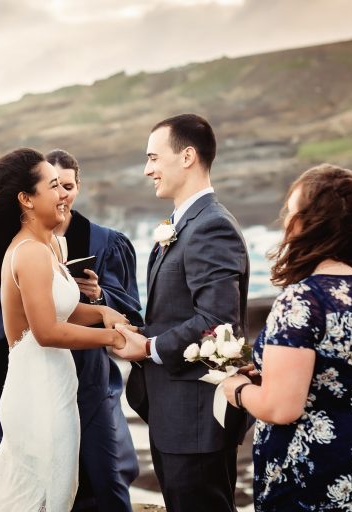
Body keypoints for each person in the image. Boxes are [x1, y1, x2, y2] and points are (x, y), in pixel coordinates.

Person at [0, 148, 141, 511]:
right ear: (26, 198)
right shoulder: (30, 252)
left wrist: (103, 311)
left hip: (58, 387)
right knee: (38, 494)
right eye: (54, 186)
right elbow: (47, 331)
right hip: (38, 391)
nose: (62, 195)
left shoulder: (47, 244)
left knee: (55, 490)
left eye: (65, 185)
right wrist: (113, 336)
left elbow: (63, 310)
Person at [220, 164, 352, 511]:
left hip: (318, 467)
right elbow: (339, 371)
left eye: (292, 213)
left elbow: (281, 408)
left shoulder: (303, 299)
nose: (286, 223)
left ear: (314, 224)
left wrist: (237, 389)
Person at [115, 114, 250, 512]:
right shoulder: (184, 224)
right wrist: (130, 330)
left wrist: (149, 347)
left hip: (196, 415)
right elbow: (176, 312)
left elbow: (217, 320)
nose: (147, 169)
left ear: (187, 156)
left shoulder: (210, 227)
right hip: (173, 412)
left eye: (154, 157)